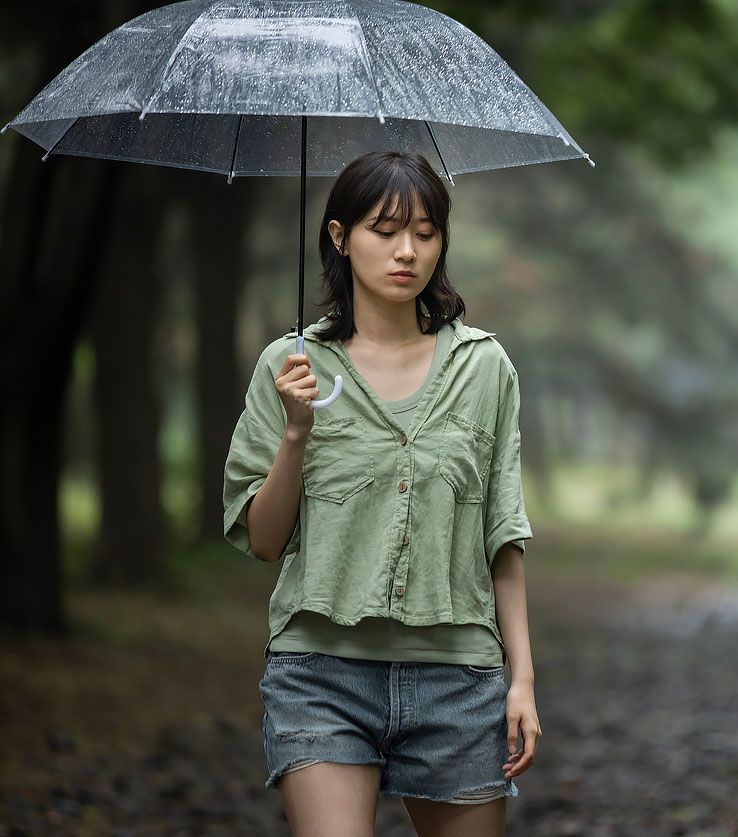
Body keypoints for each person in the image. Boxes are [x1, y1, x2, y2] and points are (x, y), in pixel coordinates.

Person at [223, 150, 539, 837]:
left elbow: (502, 536)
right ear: (338, 236)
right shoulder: (291, 366)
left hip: (457, 679)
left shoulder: (482, 366)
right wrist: (296, 435)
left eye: (425, 233)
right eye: (385, 229)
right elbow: (264, 540)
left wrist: (522, 680)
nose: (407, 251)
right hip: (319, 674)